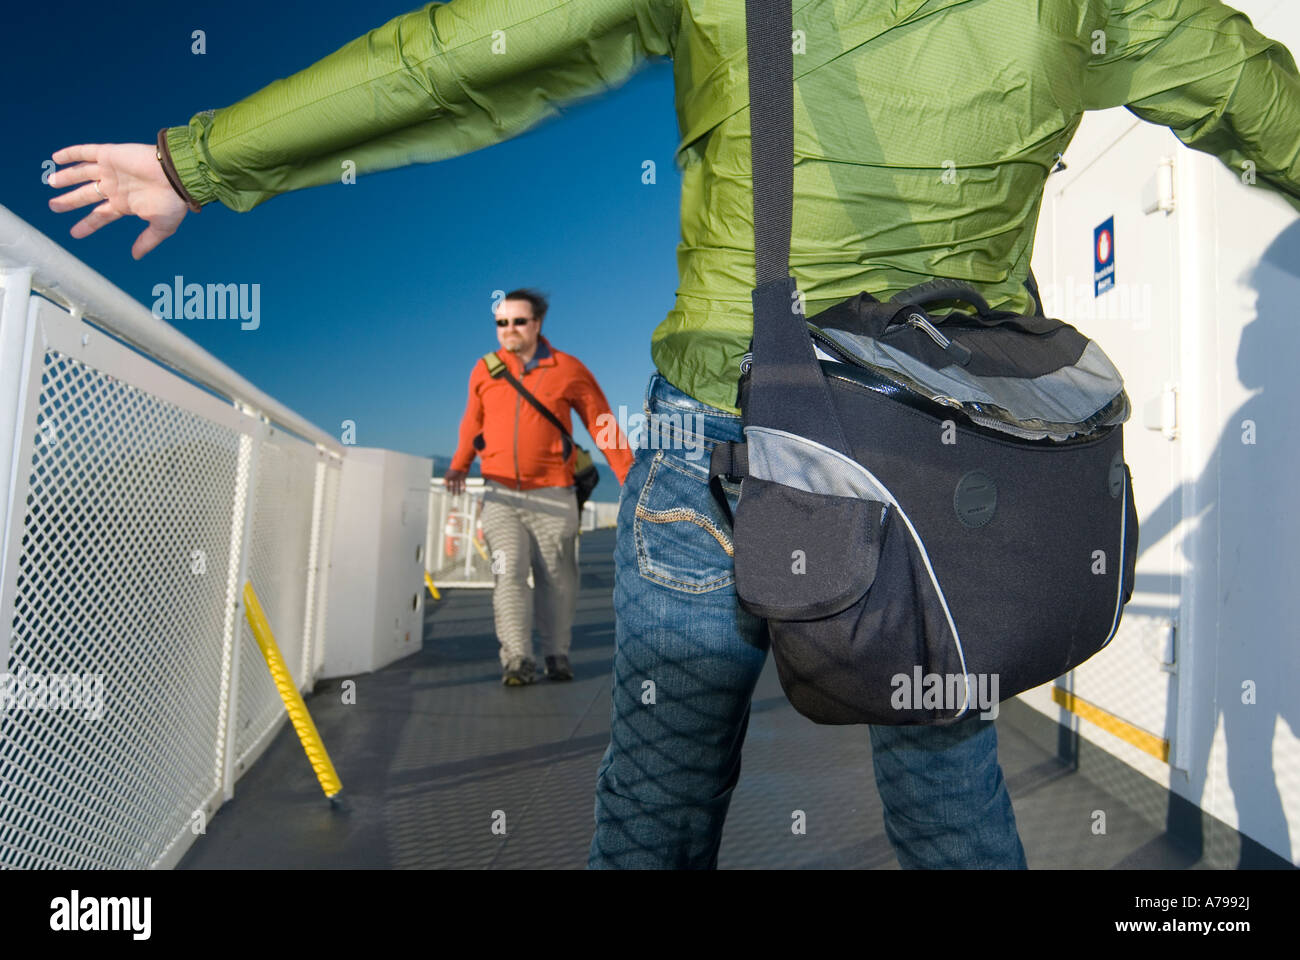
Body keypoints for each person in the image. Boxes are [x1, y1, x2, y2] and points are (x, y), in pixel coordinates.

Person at [46, 0, 1300, 868]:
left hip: (724, 433)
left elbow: (449, 58)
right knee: (948, 785)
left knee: (661, 791)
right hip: (931, 461)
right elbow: (1266, 102)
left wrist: (201, 160)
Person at [443, 288, 633, 685]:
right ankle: (516, 659)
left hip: (554, 492)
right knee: (507, 569)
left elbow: (601, 423)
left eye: (518, 321)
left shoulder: (568, 368)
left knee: (557, 578)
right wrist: (459, 466)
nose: (508, 329)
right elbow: (470, 423)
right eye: (501, 322)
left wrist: (629, 477)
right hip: (499, 493)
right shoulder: (485, 368)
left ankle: (556, 653)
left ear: (537, 324)